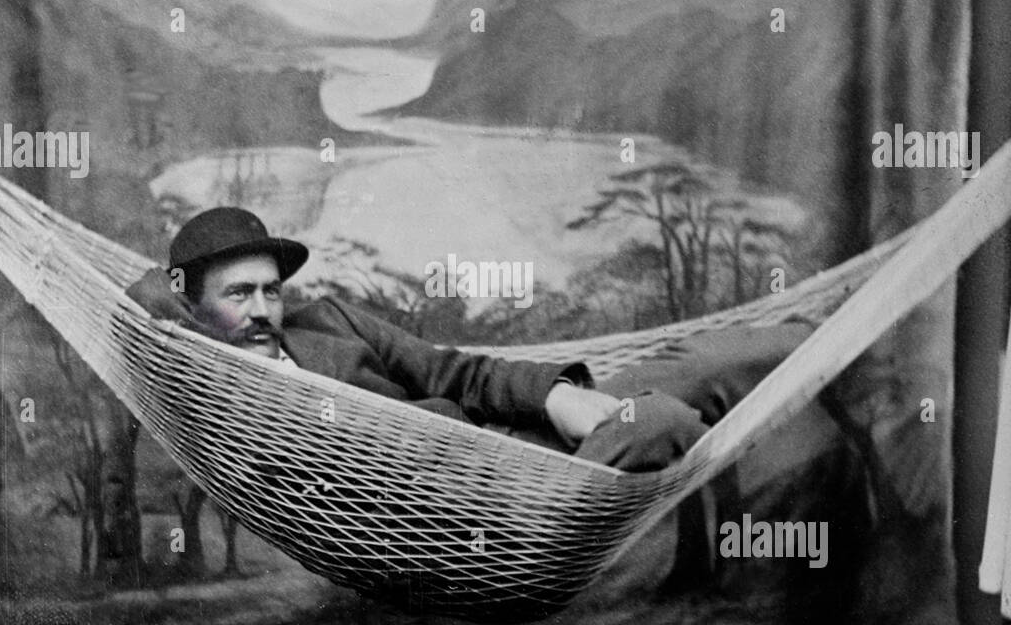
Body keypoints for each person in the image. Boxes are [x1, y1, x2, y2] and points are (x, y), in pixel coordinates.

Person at [126, 206, 813, 473]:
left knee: (712, 358)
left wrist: (555, 396)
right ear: (192, 300)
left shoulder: (331, 322)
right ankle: (688, 438)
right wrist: (179, 298)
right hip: (499, 504)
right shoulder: (211, 384)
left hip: (531, 435)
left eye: (270, 290)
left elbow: (452, 371)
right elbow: (141, 305)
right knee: (663, 419)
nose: (261, 309)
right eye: (238, 294)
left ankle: (844, 328)